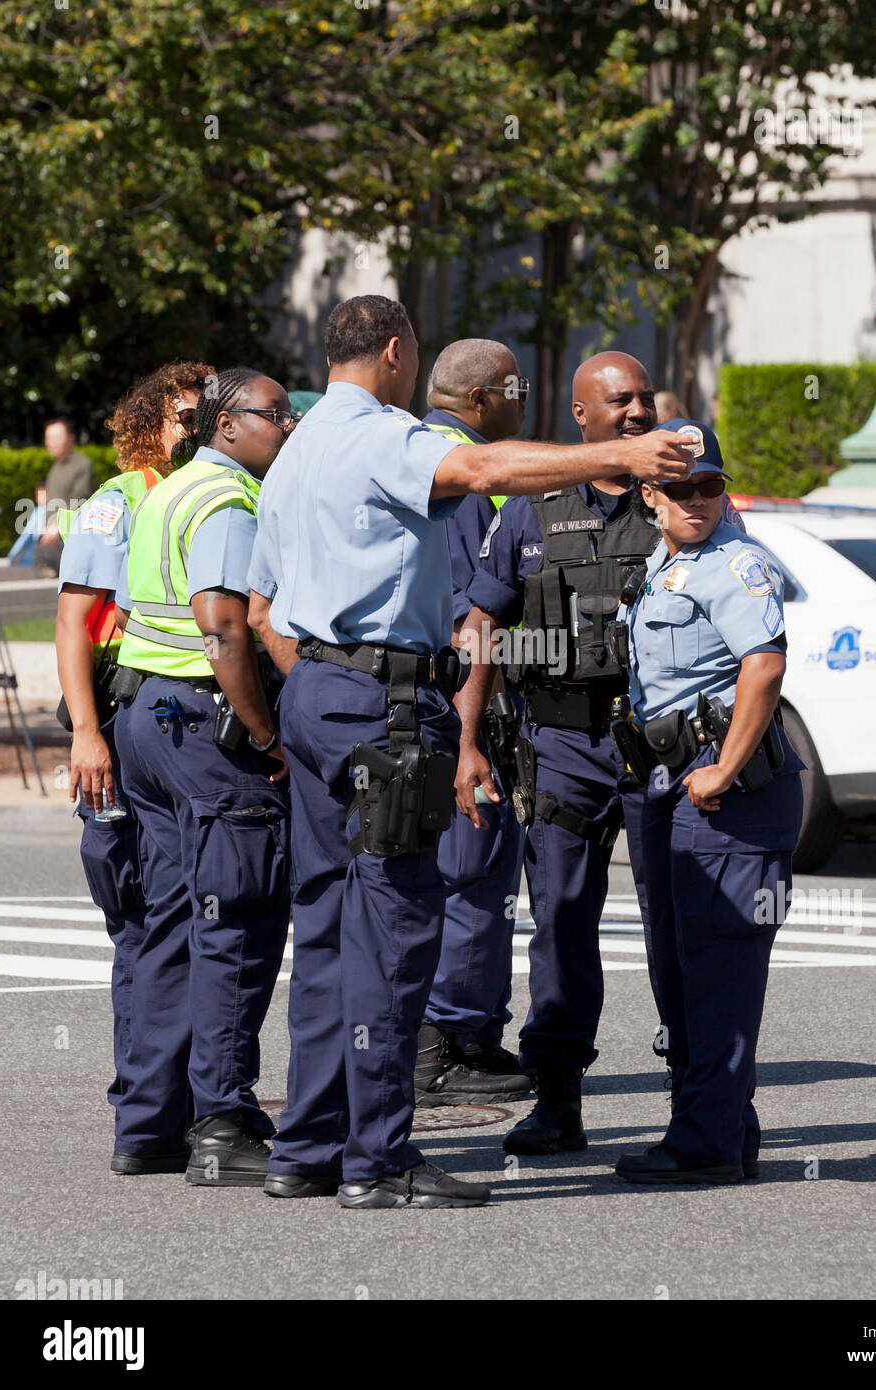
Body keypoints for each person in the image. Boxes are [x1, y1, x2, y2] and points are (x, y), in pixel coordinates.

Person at [247, 295, 696, 1209]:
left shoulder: (294, 452)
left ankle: (308, 1147)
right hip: (384, 701)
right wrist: (618, 457)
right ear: (394, 350)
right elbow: (483, 464)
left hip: (318, 690)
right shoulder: (381, 435)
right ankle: (376, 1161)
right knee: (397, 930)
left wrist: (322, 686)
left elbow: (262, 604)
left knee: (327, 929)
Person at [455, 351, 671, 1157]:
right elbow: (478, 626)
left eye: (644, 399)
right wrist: (468, 741)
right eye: (619, 402)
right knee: (560, 924)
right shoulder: (531, 506)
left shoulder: (683, 496)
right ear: (581, 414)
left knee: (675, 923)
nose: (637, 413)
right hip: (560, 744)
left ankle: (700, 1099)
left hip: (657, 744)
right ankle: (557, 1101)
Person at [111, 368, 294, 1186]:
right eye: (273, 414)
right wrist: (265, 735)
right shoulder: (226, 503)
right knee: (240, 922)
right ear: (227, 426)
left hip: (148, 718)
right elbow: (224, 632)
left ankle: (151, 1124)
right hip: (204, 730)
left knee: (174, 920)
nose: (286, 427)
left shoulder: (166, 491)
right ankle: (221, 1122)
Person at [613, 446, 804, 1185]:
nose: (696, 499)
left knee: (718, 968)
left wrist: (721, 764)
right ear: (649, 497)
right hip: (670, 780)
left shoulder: (735, 563)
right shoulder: (666, 564)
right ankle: (720, 1128)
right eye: (678, 488)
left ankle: (707, 1143)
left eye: (709, 486)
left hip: (727, 788)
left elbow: (763, 661)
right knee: (681, 963)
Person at [55, 360, 213, 1168]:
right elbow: (74, 622)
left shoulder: (215, 490)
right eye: (187, 416)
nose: (199, 428)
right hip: (121, 726)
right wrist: (86, 731)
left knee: (179, 914)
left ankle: (164, 1100)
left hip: (181, 722)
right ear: (149, 422)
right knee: (142, 913)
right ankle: (145, 1104)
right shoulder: (118, 502)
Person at [413, 338, 531, 1106]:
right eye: (515, 387)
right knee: (468, 870)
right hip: (460, 704)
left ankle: (467, 1034)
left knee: (475, 871)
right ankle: (440, 1046)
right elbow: (469, 617)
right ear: (485, 395)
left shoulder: (426, 450)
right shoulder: (461, 472)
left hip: (448, 703)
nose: (526, 397)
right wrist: (469, 736)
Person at [37, 419, 96, 574]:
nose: (51, 443)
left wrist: (55, 527)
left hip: (68, 537)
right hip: (50, 535)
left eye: (56, 437)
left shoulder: (83, 465)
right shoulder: (55, 467)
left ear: (71, 438)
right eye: (48, 438)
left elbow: (79, 500)